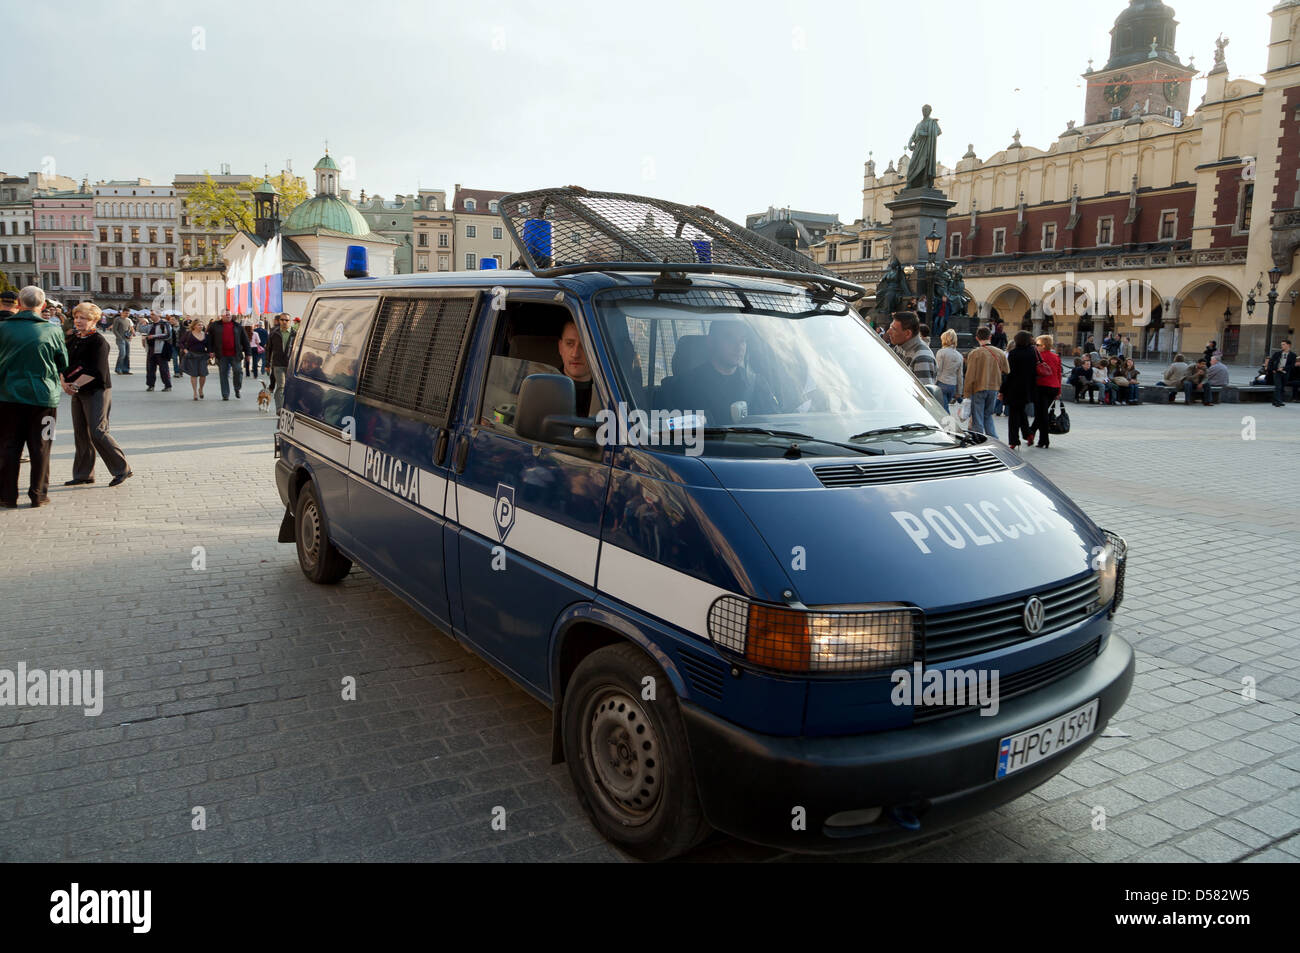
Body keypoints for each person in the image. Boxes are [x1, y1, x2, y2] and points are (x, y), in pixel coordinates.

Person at [0, 286, 68, 507]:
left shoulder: (2, 328)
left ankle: (8, 496)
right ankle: (38, 494)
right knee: (41, 446)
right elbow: (63, 363)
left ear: (18, 304)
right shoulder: (53, 330)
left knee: (9, 446)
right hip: (43, 397)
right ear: (44, 306)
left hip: (7, 396)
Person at [60, 303, 131, 487]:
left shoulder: (99, 341)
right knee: (81, 433)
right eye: (76, 317)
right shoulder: (74, 338)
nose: (78, 321)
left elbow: (96, 371)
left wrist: (74, 385)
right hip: (77, 390)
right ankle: (84, 474)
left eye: (83, 318)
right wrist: (63, 382)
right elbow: (62, 362)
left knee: (98, 432)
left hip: (97, 390)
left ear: (94, 320)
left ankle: (122, 469)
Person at [682, 320, 778, 425]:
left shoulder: (757, 384)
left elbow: (778, 424)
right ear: (711, 341)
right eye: (730, 339)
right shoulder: (686, 386)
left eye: (743, 340)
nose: (739, 347)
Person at [963, 326, 1008, 439]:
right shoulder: (1000, 353)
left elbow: (970, 376)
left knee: (977, 417)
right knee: (987, 416)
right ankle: (994, 439)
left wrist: (966, 394)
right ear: (990, 336)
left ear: (977, 338)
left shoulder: (974, 353)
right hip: (993, 388)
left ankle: (979, 440)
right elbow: (1007, 370)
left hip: (978, 388)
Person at [1002, 330, 1037, 450]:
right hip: (1027, 388)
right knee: (1021, 412)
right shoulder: (1032, 353)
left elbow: (1008, 374)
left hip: (1013, 388)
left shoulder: (1014, 354)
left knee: (1013, 416)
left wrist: (1002, 390)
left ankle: (1014, 440)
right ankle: (1028, 434)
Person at [1030, 334, 1062, 448]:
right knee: (1041, 413)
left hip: (1041, 387)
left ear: (1043, 346)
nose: (1035, 346)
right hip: (1053, 387)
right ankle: (1032, 432)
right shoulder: (1056, 356)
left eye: (1037, 344)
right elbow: (1059, 374)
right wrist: (1059, 391)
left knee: (1041, 414)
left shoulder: (1038, 356)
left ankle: (1043, 440)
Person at [887, 312, 937, 385]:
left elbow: (923, 394)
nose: (888, 331)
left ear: (908, 333)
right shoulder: (899, 347)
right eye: (890, 327)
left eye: (894, 329)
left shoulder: (922, 358)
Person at [558, 318, 595, 416]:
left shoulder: (608, 393)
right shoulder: (545, 389)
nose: (575, 354)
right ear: (560, 347)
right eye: (569, 344)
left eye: (584, 345)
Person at [209, 310, 248, 400]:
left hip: (235, 354)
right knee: (223, 374)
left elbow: (245, 340)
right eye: (226, 315)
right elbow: (210, 339)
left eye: (229, 315)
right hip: (222, 355)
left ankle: (237, 388)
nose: (228, 316)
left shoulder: (238, 326)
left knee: (238, 371)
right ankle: (225, 394)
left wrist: (248, 353)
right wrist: (211, 351)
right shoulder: (215, 325)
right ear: (222, 316)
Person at [266, 313, 295, 414]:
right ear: (279, 321)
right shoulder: (274, 333)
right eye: (282, 320)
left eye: (286, 320)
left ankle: (288, 407)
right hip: (277, 364)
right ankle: (279, 409)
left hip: (290, 365)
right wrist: (267, 364)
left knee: (289, 387)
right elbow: (268, 349)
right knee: (281, 386)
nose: (284, 322)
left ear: (289, 322)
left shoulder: (294, 334)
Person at [179, 319, 210, 400]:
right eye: (199, 325)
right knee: (194, 374)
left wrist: (211, 352)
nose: (201, 326)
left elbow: (209, 345)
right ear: (194, 326)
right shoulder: (188, 334)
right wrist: (185, 350)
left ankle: (201, 389)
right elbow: (181, 342)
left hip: (202, 356)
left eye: (202, 325)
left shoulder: (205, 335)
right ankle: (195, 392)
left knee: (203, 374)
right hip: (192, 355)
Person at [934, 328, 963, 413]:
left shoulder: (941, 352)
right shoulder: (959, 356)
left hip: (941, 383)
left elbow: (938, 370)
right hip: (952, 385)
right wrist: (959, 391)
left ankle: (949, 425)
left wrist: (933, 384)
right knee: (945, 408)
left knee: (943, 410)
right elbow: (960, 375)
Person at [143, 311, 173, 392]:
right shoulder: (151, 325)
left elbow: (168, 335)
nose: (151, 316)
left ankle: (167, 385)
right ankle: (150, 385)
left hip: (161, 350)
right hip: (151, 350)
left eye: (153, 314)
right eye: (150, 314)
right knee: (150, 368)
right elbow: (144, 332)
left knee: (164, 369)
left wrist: (154, 336)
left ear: (159, 315)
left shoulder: (164, 324)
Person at [1266, 340, 1296, 407]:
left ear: (1288, 345)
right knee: (1278, 387)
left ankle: (1277, 400)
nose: (1282, 346)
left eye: (1283, 344)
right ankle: (1277, 402)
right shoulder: (1277, 353)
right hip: (1277, 372)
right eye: (1281, 344)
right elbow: (1271, 362)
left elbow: (1292, 365)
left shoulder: (1293, 355)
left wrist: (1284, 368)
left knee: (1282, 387)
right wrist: (1272, 369)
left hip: (1285, 373)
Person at [111, 310, 135, 374]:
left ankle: (125, 370)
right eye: (126, 313)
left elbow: (129, 329)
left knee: (127, 355)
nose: (127, 314)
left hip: (127, 339)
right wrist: (119, 337)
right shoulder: (117, 319)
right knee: (122, 354)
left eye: (128, 313)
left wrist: (130, 335)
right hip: (120, 339)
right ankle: (118, 369)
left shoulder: (128, 320)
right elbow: (114, 330)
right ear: (122, 313)